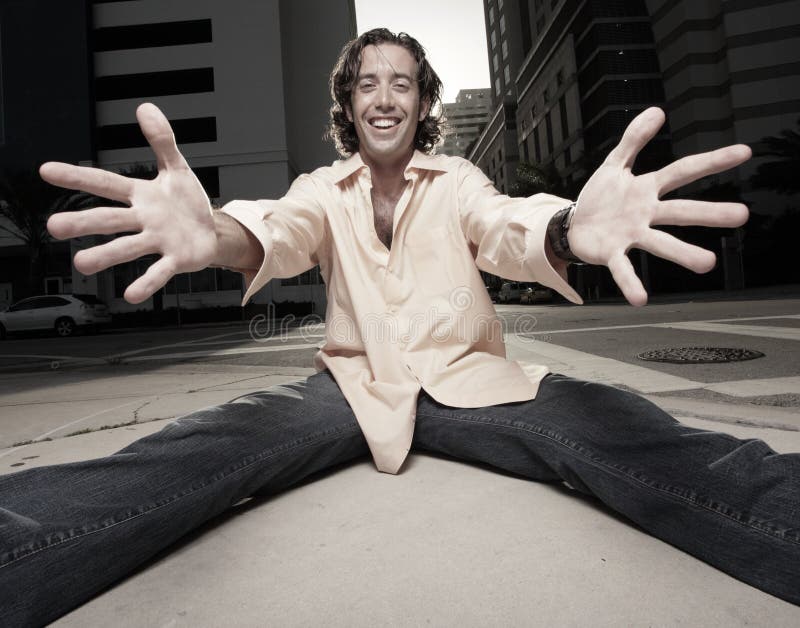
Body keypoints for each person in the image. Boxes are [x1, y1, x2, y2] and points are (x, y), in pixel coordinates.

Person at [2, 28, 798, 623]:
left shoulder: (458, 179)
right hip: (354, 388)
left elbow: (504, 224)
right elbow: (274, 230)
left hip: (473, 384)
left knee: (629, 429)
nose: (385, 97)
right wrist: (213, 236)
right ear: (349, 104)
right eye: (369, 84)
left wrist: (565, 231)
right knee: (201, 446)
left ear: (422, 103)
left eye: (403, 83)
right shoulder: (322, 187)